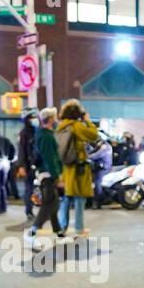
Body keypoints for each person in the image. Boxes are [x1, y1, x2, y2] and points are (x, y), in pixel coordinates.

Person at [55, 100, 97, 237]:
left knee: (66, 198)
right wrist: (88, 121)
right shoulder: (77, 126)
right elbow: (93, 135)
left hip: (65, 167)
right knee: (80, 198)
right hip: (78, 167)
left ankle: (62, 227)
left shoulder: (61, 126)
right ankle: (79, 228)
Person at [28, 107, 64, 239]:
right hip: (48, 174)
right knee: (51, 203)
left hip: (45, 173)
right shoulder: (46, 136)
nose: (55, 120)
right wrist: (57, 176)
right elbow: (50, 158)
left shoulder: (43, 134)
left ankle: (58, 231)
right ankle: (33, 229)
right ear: (49, 120)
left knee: (52, 202)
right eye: (54, 118)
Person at [16, 110, 37, 220]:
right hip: (28, 165)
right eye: (31, 118)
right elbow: (21, 151)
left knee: (35, 188)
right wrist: (21, 166)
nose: (34, 120)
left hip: (37, 163)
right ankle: (29, 211)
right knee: (29, 188)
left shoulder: (36, 130)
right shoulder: (24, 133)